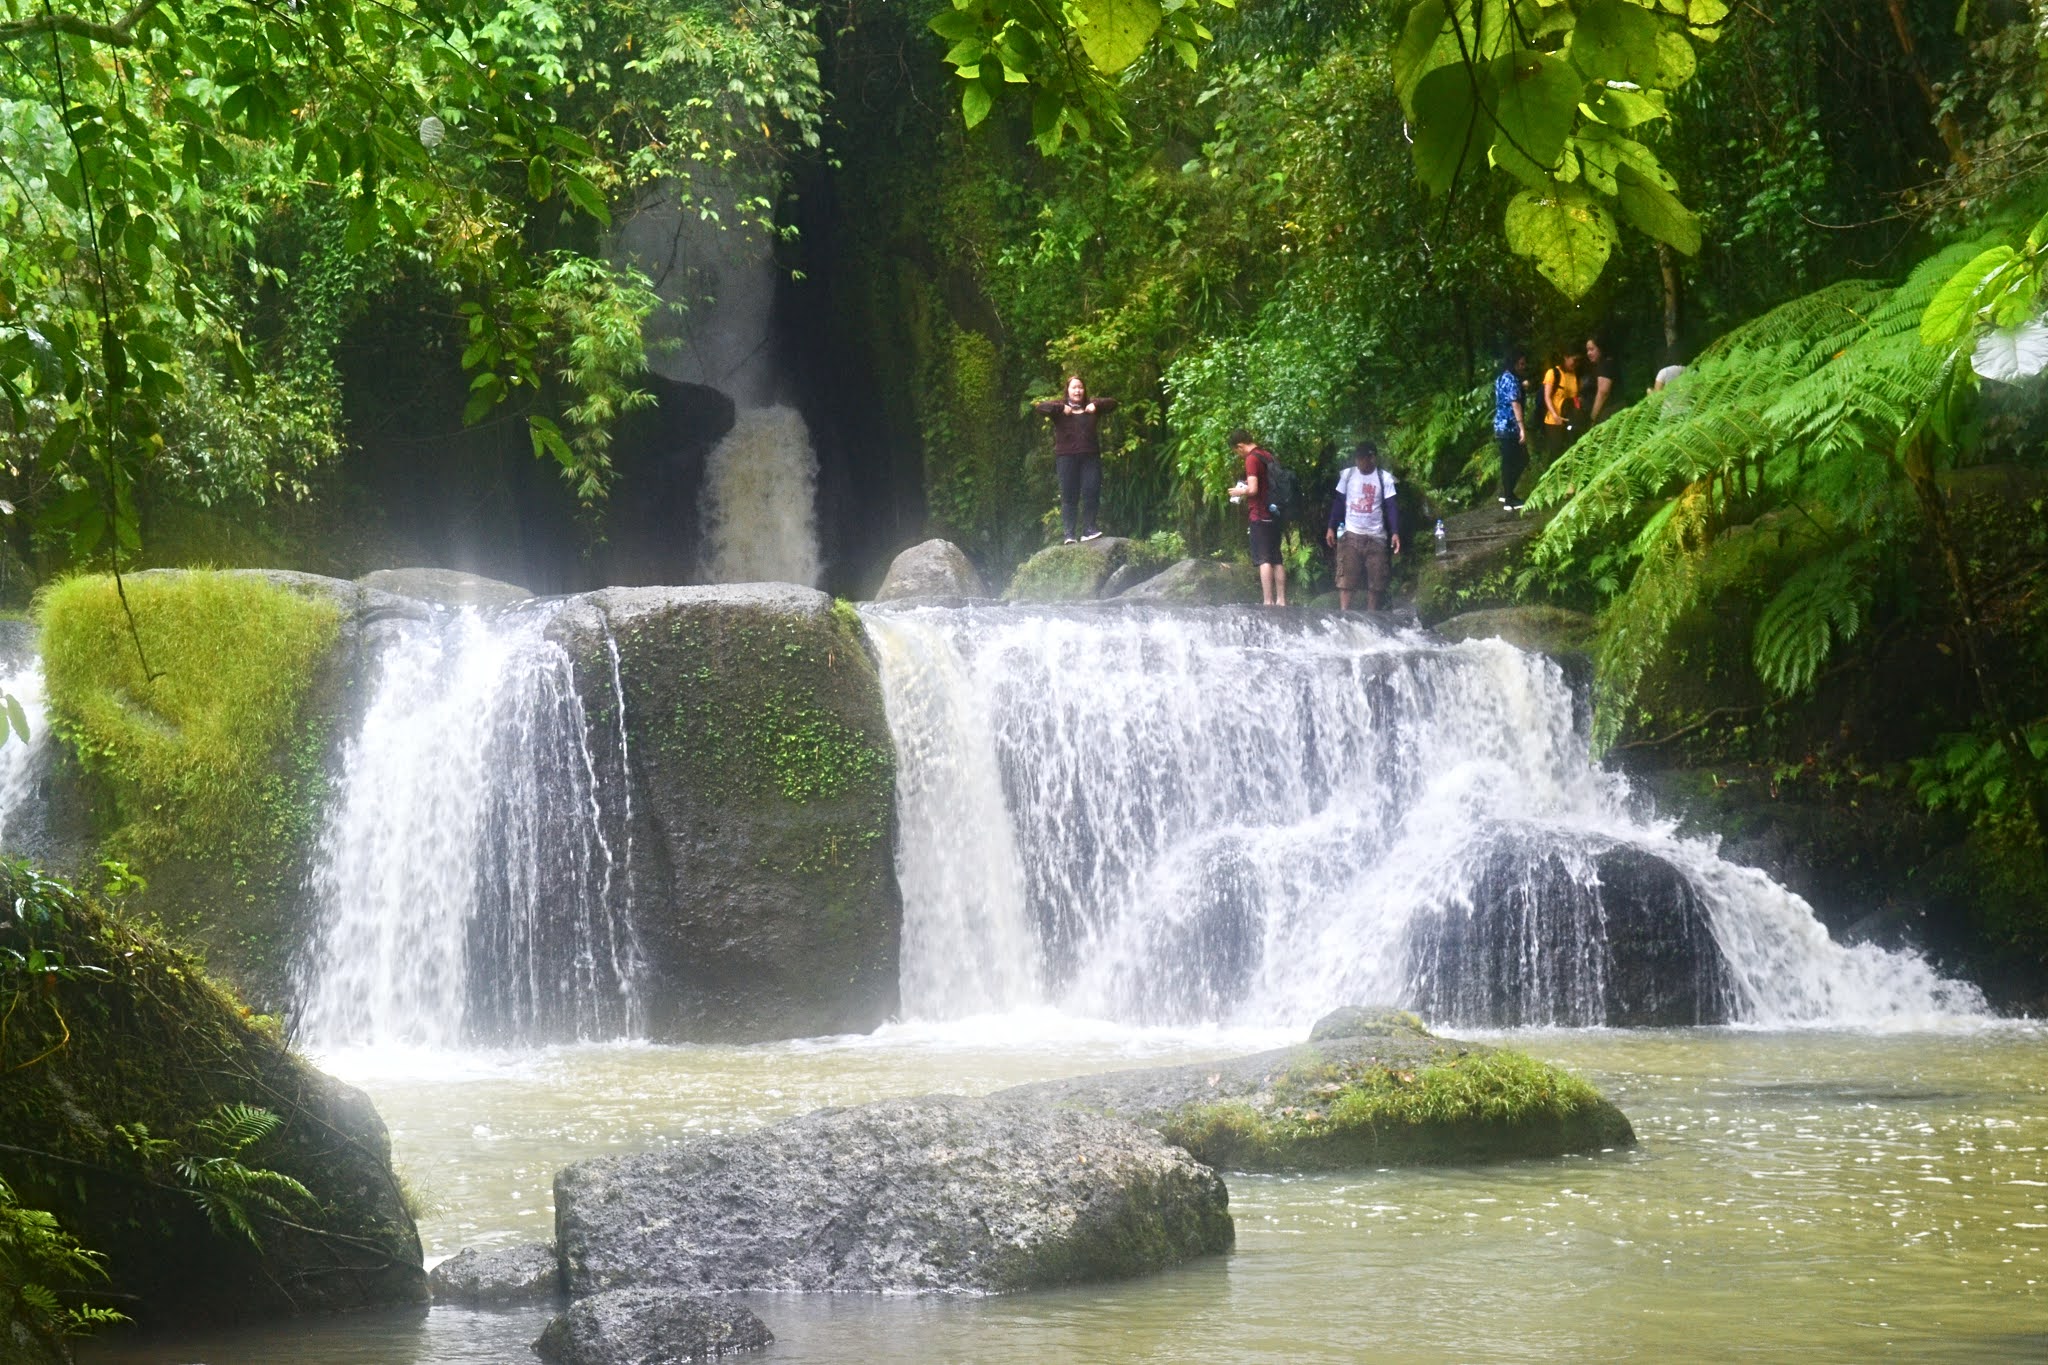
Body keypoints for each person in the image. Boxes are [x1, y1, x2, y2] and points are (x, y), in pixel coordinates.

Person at [1031, 376, 1118, 544]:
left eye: (1080, 387)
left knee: (1091, 491)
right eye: (1073, 388)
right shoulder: (1060, 409)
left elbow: (1113, 403)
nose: (1077, 391)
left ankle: (1089, 530)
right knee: (1069, 496)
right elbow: (1040, 408)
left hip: (1090, 457)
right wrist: (1061, 408)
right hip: (1066, 458)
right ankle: (1069, 535)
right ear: (1068, 391)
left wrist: (1096, 405)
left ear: (1084, 390)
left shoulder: (1091, 407)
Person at [1325, 440, 1402, 611]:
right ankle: (1344, 613)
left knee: (1376, 582)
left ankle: (1371, 615)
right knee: (1346, 579)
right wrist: (1331, 526)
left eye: (1363, 458)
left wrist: (1395, 532)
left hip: (1376, 536)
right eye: (1358, 458)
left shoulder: (1383, 478)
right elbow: (1338, 502)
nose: (1360, 462)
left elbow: (1391, 507)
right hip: (1351, 533)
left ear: (1372, 458)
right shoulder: (1348, 475)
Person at [1226, 429, 1287, 607]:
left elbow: (1253, 489)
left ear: (1240, 446)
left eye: (1236, 451)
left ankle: (1267, 601)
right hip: (1275, 513)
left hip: (1260, 514)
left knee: (1264, 559)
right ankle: (1281, 600)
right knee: (1277, 558)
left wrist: (1239, 491)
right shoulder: (1267, 455)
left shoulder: (1251, 458)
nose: (1238, 455)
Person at [1493, 346, 1530, 511]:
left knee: (1508, 462)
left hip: (1500, 425)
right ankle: (1509, 497)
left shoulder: (1501, 378)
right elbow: (1515, 403)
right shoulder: (1512, 380)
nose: (1523, 366)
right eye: (1521, 364)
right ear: (1514, 364)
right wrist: (1522, 427)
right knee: (1521, 460)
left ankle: (1506, 493)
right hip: (1510, 427)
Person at [1539, 349, 1581, 466]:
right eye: (1574, 360)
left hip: (1568, 419)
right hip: (1553, 421)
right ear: (1566, 357)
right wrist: (1555, 415)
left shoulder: (1573, 375)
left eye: (1579, 361)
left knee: (1569, 449)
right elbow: (1547, 397)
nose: (1576, 364)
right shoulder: (1553, 373)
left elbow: (1574, 398)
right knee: (1556, 451)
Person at [1584, 335, 1619, 426]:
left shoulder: (1605, 365)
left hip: (1608, 414)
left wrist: (1593, 417)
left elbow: (1603, 392)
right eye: (1587, 350)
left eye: (1592, 349)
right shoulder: (1601, 365)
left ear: (1600, 349)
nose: (1588, 353)